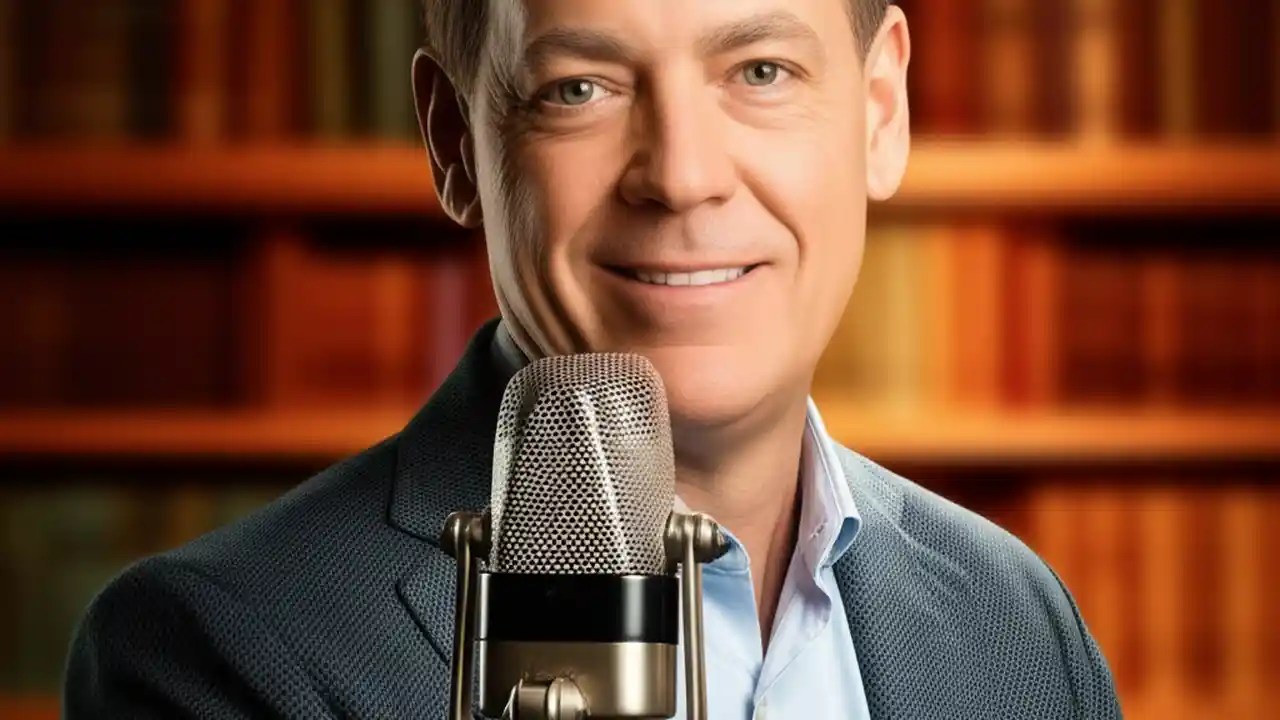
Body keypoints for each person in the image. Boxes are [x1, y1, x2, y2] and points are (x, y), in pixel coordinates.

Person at [64, 1, 1121, 718]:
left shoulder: (1016, 622)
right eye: (579, 88)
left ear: (879, 108)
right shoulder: (217, 652)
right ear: (453, 144)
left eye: (760, 70)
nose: (681, 177)